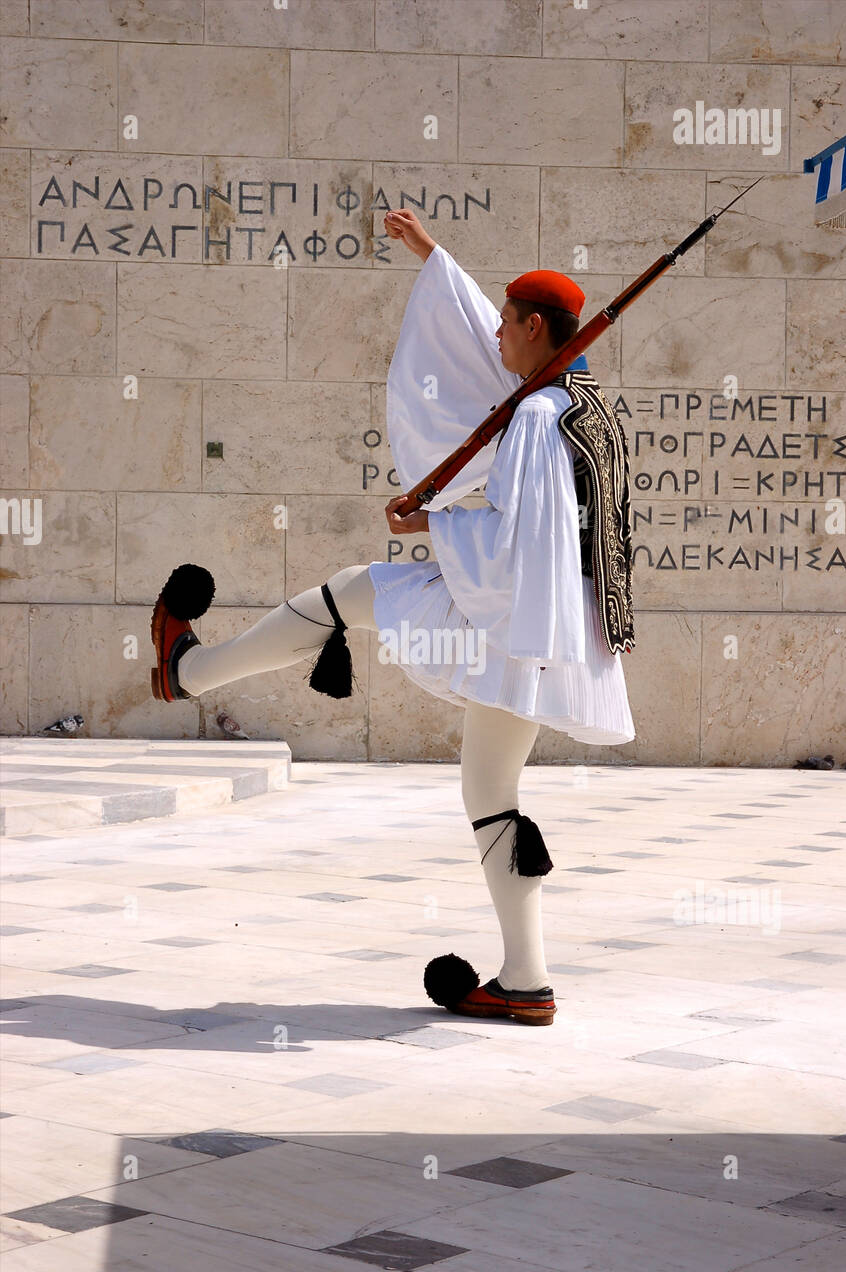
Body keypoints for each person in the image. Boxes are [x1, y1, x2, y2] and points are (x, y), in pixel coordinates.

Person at [149, 208, 636, 1027]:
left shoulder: (536, 421)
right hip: (545, 635)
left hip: (511, 620)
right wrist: (433, 256)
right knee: (491, 792)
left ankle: (188, 671)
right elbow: (536, 514)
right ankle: (526, 981)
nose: (496, 341)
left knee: (349, 592)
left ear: (536, 328)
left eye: (508, 327)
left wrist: (430, 524)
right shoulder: (578, 403)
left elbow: (518, 541)